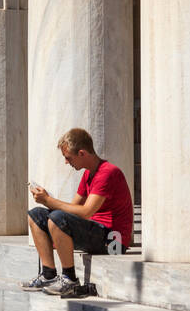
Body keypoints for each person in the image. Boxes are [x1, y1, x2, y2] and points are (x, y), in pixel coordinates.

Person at [22, 127, 134, 297]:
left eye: (68, 158)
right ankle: (48, 275)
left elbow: (86, 212)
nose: (67, 162)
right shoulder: (88, 175)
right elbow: (73, 209)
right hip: (98, 232)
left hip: (113, 242)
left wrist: (50, 201)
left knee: (58, 218)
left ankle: (69, 278)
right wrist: (46, 201)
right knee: (36, 215)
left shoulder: (108, 173)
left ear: (82, 153)